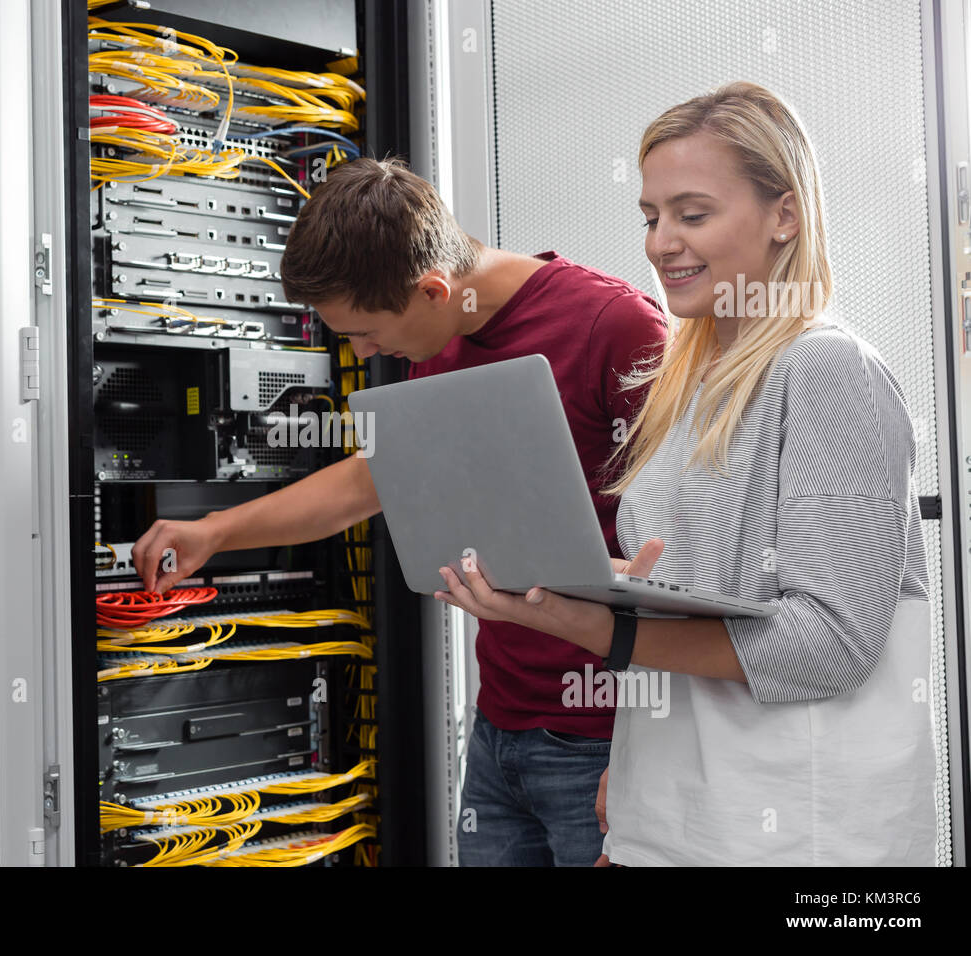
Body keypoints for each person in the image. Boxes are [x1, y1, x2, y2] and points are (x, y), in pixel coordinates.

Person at [435, 81, 938, 865]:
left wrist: (601, 627)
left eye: (692, 214)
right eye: (651, 216)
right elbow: (700, 599)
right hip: (672, 820)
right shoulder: (685, 383)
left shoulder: (830, 371)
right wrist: (630, 775)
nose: (661, 241)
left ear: (785, 214)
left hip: (799, 844)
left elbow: (829, 643)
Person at [132, 157, 667, 865]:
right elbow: (373, 478)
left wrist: (648, 761)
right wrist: (215, 531)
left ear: (434, 289)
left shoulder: (617, 326)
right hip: (501, 726)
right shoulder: (439, 336)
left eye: (366, 333)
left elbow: (690, 543)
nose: (362, 350)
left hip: (601, 739)